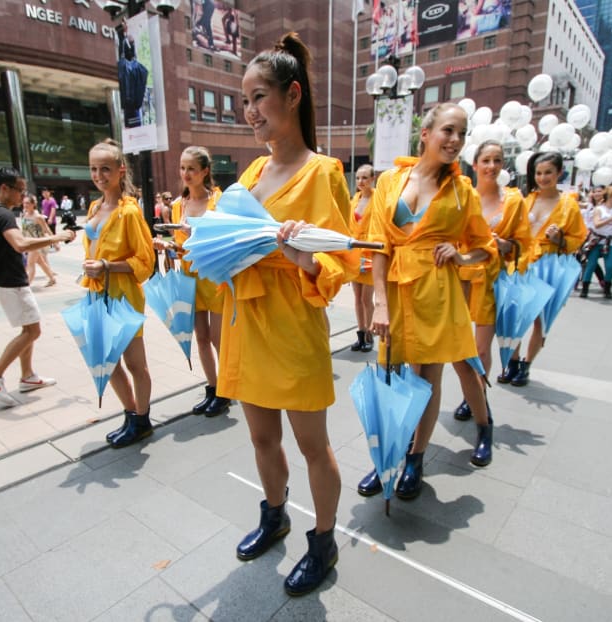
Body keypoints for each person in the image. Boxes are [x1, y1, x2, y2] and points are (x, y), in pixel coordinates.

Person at [226, 32, 357, 597]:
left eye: (259, 97)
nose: (250, 111)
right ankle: (275, 512)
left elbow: (343, 257)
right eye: (245, 101)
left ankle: (324, 539)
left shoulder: (323, 171)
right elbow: (231, 237)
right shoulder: (251, 175)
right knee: (260, 438)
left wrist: (307, 259)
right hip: (247, 319)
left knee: (311, 444)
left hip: (293, 321)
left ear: (293, 94)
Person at [359, 101, 497, 502]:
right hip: (396, 292)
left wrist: (461, 256)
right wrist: (379, 304)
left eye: (462, 133)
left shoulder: (461, 191)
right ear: (426, 134)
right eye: (448, 131)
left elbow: (484, 247)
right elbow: (379, 246)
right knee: (393, 374)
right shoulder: (389, 181)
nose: (455, 140)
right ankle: (390, 452)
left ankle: (416, 458)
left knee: (427, 378)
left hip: (438, 291)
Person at [0, 168, 75, 406]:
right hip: (11, 282)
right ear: (4, 189)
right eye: (20, 190)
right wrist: (56, 238)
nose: (23, 195)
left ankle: (28, 376)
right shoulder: (3, 216)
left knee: (28, 328)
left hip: (4, 280)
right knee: (32, 331)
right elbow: (20, 244)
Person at [81, 139, 156, 448]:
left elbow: (145, 261)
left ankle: (142, 419)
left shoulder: (129, 212)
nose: (99, 175)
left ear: (120, 170)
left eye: (105, 169)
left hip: (123, 296)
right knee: (105, 363)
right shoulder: (94, 207)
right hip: (96, 296)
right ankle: (131, 414)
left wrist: (106, 266)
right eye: (94, 169)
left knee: (135, 364)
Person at [453, 140, 530, 420]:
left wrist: (506, 245)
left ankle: (476, 398)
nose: (492, 166)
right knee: (458, 345)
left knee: (481, 347)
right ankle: (471, 393)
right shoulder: (462, 196)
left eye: (497, 160)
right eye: (486, 160)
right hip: (459, 278)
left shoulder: (513, 201)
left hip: (491, 280)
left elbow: (524, 244)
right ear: (474, 164)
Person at [498, 152, 586, 386]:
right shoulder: (526, 200)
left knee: (540, 320)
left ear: (559, 173)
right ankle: (512, 361)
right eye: (538, 173)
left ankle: (527, 364)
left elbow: (578, 238)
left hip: (547, 267)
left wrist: (560, 239)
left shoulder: (569, 205)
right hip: (520, 263)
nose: (543, 177)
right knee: (514, 314)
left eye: (548, 172)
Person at [154, 146, 231, 416]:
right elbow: (179, 244)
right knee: (200, 336)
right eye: (182, 168)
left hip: (215, 275)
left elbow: (227, 239)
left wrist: (196, 231)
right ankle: (213, 387)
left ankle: (227, 389)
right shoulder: (178, 205)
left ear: (205, 171)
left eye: (192, 169)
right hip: (189, 276)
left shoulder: (218, 201)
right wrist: (167, 247)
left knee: (218, 337)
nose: (186, 174)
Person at [578, 186, 612, 299]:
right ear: (609, 195)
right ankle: (585, 288)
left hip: (611, 241)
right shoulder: (599, 209)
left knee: (610, 266)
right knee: (591, 264)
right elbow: (597, 224)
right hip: (597, 240)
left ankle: (607, 287)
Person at [349, 164, 375, 353]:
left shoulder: (378, 199)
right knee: (357, 298)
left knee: (367, 298)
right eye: (358, 178)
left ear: (372, 179)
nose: (360, 182)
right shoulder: (354, 199)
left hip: (371, 254)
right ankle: (360, 333)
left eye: (365, 178)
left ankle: (369, 335)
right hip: (354, 255)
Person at [21, 193, 57, 287]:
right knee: (41, 262)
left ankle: (27, 285)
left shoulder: (38, 217)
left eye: (28, 203)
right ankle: (52, 279)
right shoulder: (25, 215)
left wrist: (55, 242)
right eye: (24, 203)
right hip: (29, 243)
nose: (25, 205)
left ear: (33, 204)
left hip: (37, 243)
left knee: (30, 263)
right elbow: (24, 230)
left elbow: (47, 229)